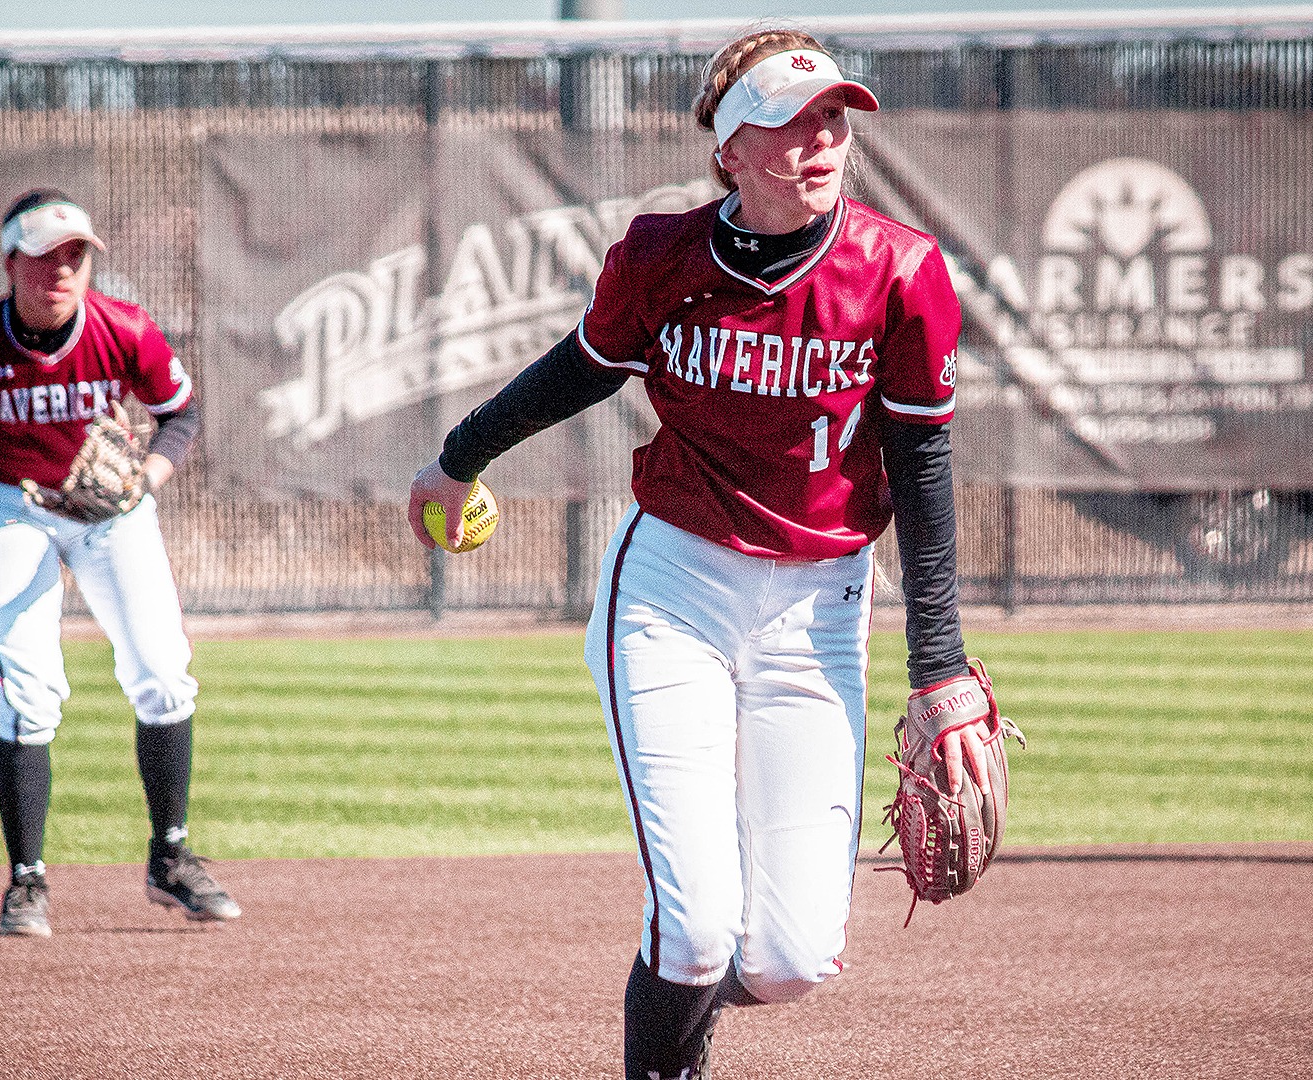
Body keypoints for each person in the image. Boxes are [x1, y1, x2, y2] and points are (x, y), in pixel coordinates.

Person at [407, 29, 998, 1078]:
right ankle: (673, 1021)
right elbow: (581, 368)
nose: (820, 141)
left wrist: (939, 660)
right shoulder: (661, 257)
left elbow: (922, 461)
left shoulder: (899, 271)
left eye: (832, 119)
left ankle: (683, 998)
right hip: (675, 585)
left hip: (819, 609)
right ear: (730, 149)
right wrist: (459, 458)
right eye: (788, 123)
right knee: (692, 929)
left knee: (790, 960)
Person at [0, 189, 240, 934]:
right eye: (44, 256)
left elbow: (179, 411)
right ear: (10, 264)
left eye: (75, 256)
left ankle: (171, 859)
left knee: (162, 671)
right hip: (8, 506)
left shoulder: (124, 331)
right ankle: (27, 881)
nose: (61, 270)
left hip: (110, 513)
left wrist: (145, 480)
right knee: (29, 689)